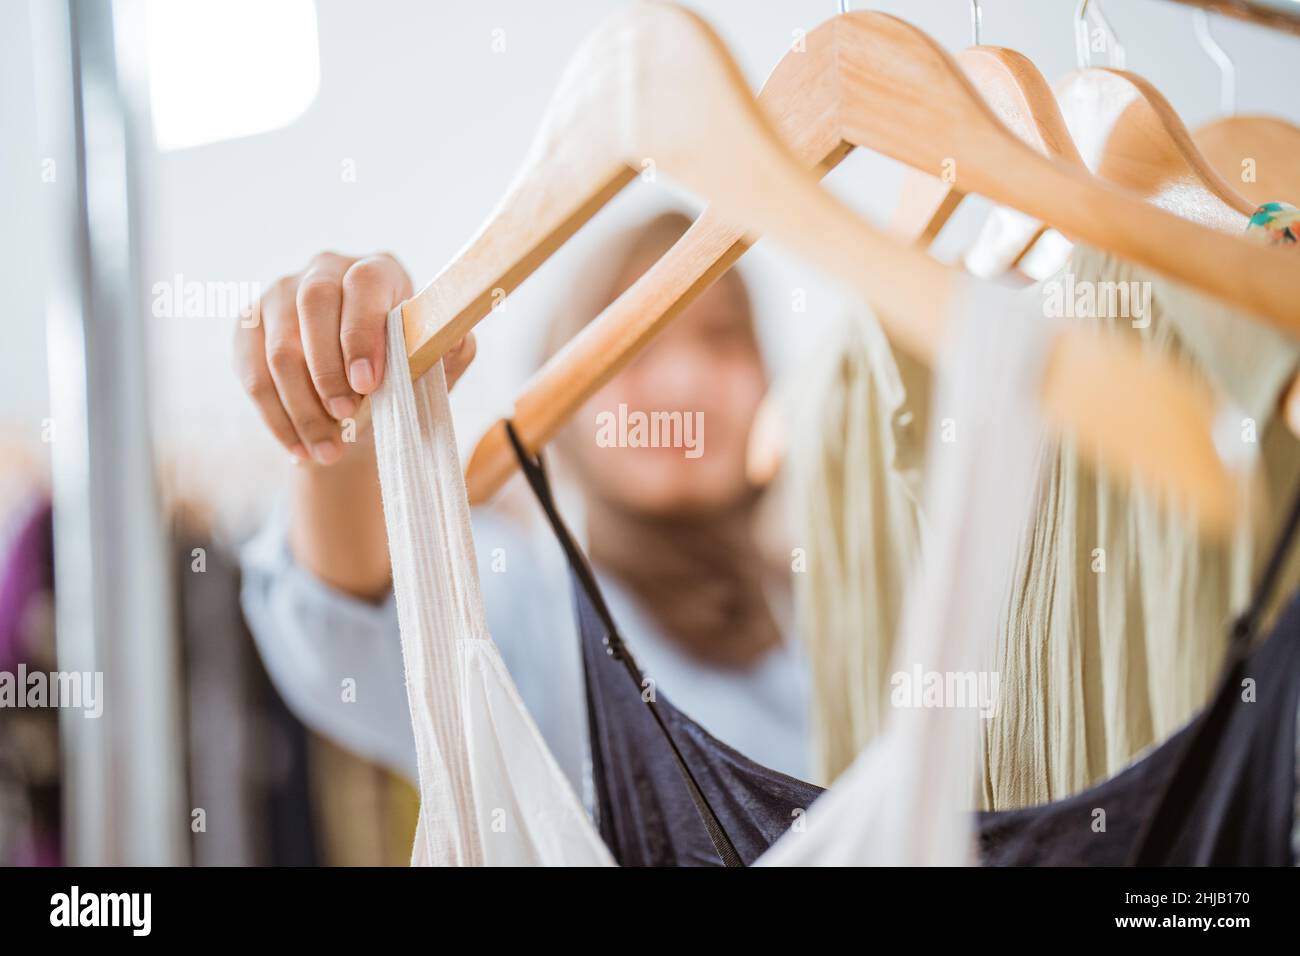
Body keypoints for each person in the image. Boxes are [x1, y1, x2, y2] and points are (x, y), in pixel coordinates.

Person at [236, 212, 812, 796]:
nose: (684, 385)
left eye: (721, 336)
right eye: (635, 343)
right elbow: (350, 636)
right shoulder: (524, 606)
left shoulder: (838, 597)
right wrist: (349, 419)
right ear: (565, 389)